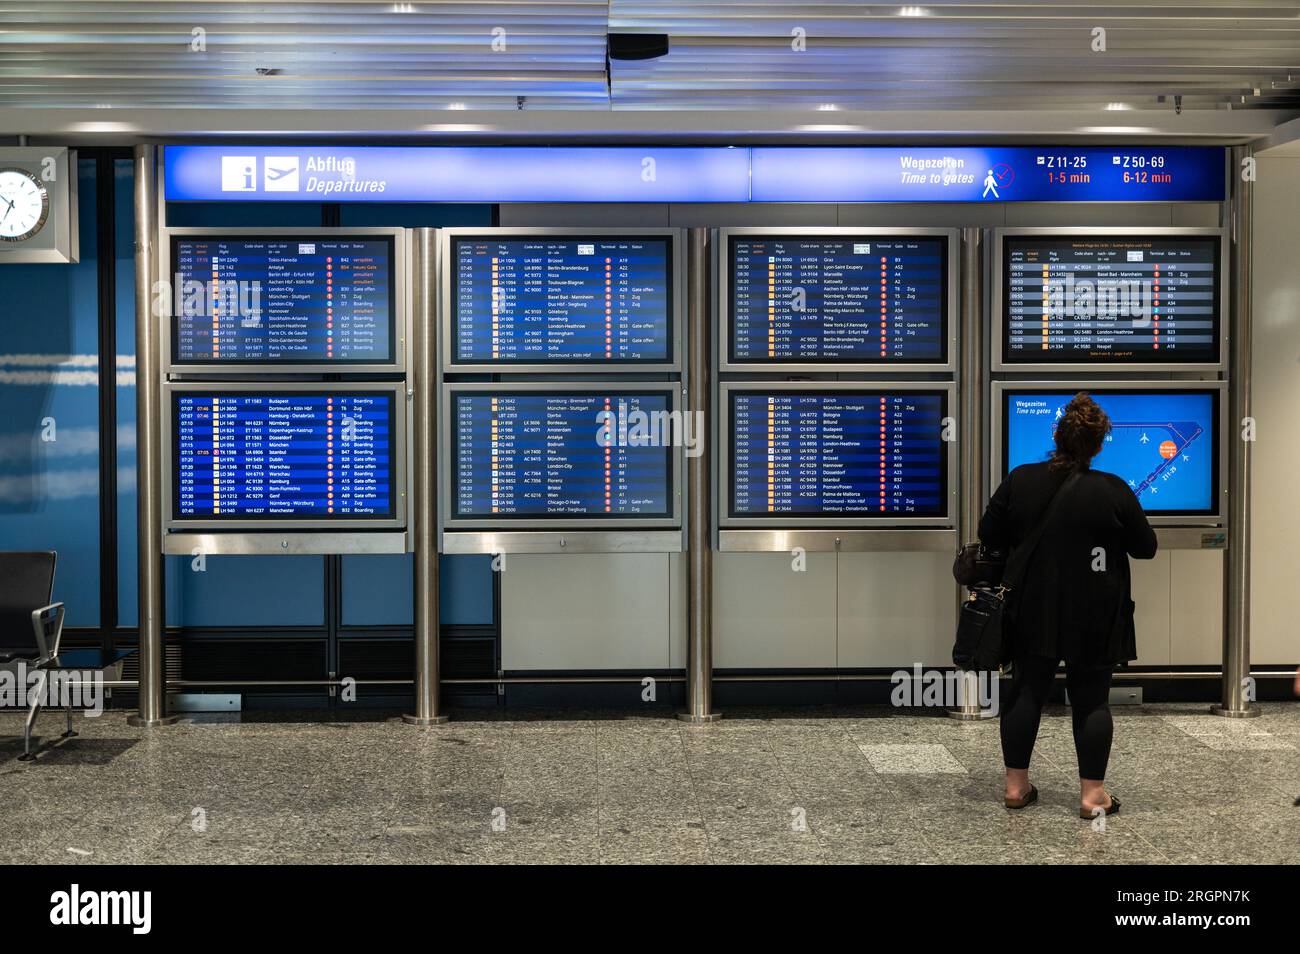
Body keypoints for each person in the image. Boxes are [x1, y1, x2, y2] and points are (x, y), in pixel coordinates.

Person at [979, 392, 1157, 818]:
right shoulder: (1113, 490)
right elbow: (1146, 548)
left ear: (1056, 436)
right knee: (1092, 700)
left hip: (1031, 608)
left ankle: (1016, 788)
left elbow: (989, 534)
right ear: (1097, 445)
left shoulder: (1020, 479)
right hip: (1096, 613)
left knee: (1026, 691)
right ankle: (1092, 797)